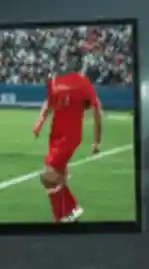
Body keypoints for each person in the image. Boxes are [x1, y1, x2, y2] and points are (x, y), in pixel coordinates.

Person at [32, 55, 103, 223]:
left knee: (47, 176)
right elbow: (48, 102)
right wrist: (40, 121)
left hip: (69, 137)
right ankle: (66, 216)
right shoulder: (59, 82)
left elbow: (97, 111)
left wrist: (96, 141)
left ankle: (68, 211)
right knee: (58, 177)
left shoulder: (83, 85)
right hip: (55, 135)